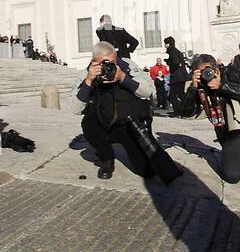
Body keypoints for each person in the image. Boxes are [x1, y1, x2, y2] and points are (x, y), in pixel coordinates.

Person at [77, 41, 179, 182]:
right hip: (105, 124)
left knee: (147, 171)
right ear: (94, 62)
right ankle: (107, 159)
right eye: (103, 64)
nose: (108, 67)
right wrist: (88, 81)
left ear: (116, 57)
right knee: (88, 122)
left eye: (112, 62)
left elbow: (147, 91)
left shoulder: (127, 65)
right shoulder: (88, 72)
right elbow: (74, 108)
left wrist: (123, 78)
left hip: (128, 125)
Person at [177, 52, 240, 187]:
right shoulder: (199, 86)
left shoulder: (229, 72)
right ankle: (236, 155)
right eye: (201, 72)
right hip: (230, 135)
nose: (206, 75)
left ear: (215, 69)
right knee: (232, 176)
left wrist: (222, 86)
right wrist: (193, 88)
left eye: (208, 70)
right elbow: (187, 112)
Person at [164, 35, 189, 113]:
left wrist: (169, 63)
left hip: (177, 77)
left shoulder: (172, 51)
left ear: (168, 44)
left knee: (172, 96)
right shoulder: (176, 51)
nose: (164, 45)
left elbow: (176, 63)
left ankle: (178, 111)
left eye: (165, 43)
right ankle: (188, 109)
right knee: (181, 94)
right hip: (182, 76)